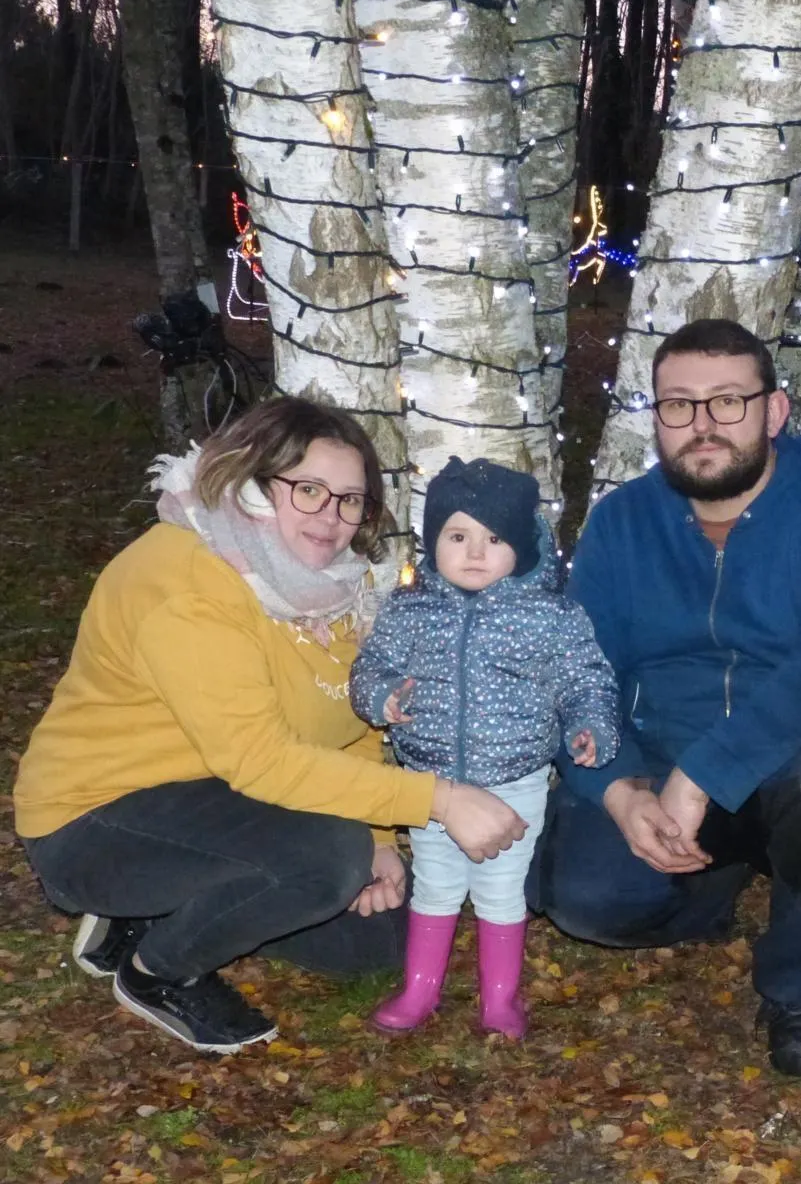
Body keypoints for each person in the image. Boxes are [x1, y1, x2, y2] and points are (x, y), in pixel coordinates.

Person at [14, 398, 526, 1055]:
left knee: (379, 937)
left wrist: (378, 838)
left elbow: (355, 718)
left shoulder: (328, 585)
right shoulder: (189, 584)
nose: (331, 519)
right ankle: (157, 971)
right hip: (100, 818)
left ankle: (141, 915)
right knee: (325, 860)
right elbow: (260, 760)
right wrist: (438, 800)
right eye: (308, 490)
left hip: (220, 801)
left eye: (349, 500)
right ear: (251, 480)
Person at [525, 319, 801, 1077]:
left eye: (728, 401)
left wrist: (707, 772)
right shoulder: (622, 522)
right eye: (679, 405)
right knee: (581, 900)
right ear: (657, 419)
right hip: (660, 753)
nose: (702, 425)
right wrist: (619, 790)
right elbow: (582, 677)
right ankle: (719, 874)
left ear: (774, 412)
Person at [350, 457, 619, 1038]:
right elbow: (371, 668)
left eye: (494, 538)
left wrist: (591, 723)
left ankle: (501, 999)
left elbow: (586, 678)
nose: (475, 552)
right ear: (433, 543)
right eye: (457, 535)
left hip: (514, 779)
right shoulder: (409, 611)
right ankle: (420, 989)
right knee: (437, 884)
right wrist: (382, 697)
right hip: (431, 780)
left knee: (500, 890)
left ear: (521, 546)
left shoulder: (551, 616)